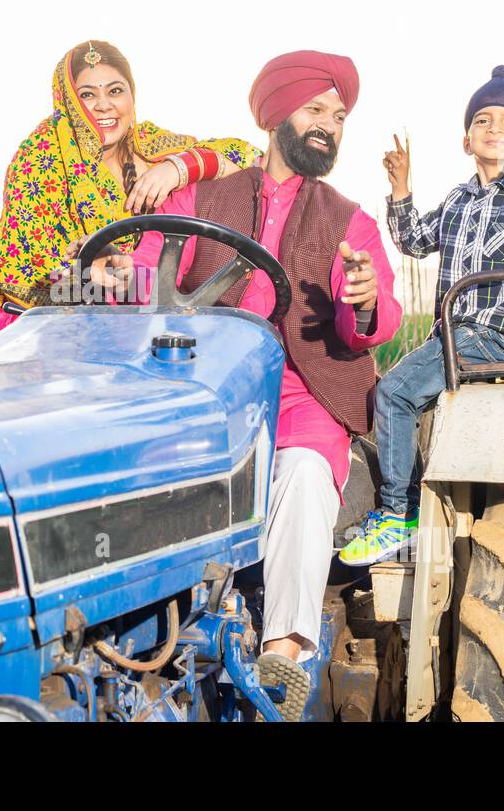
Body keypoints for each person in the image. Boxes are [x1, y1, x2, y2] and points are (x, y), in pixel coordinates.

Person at [95, 50, 402, 719]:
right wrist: (121, 280)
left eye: (339, 116)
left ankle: (285, 652)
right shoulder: (200, 199)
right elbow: (150, 273)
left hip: (302, 394)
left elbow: (371, 324)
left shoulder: (351, 221)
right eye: (315, 110)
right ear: (274, 116)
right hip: (204, 391)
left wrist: (367, 297)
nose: (329, 125)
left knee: (298, 474)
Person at [338, 65, 504, 568]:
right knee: (387, 391)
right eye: (483, 120)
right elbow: (413, 241)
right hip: (454, 336)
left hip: (498, 337)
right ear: (466, 139)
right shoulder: (458, 199)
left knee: (395, 391)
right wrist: (402, 188)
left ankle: (395, 513)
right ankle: (421, 497)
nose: (495, 128)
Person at [0, 40, 260, 362]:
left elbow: (250, 157)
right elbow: (35, 269)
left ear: (132, 96)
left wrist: (180, 167)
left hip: (138, 318)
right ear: (68, 100)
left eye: (116, 91)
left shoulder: (151, 144)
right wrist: (84, 271)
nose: (104, 105)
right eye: (88, 95)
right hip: (41, 326)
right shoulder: (41, 156)